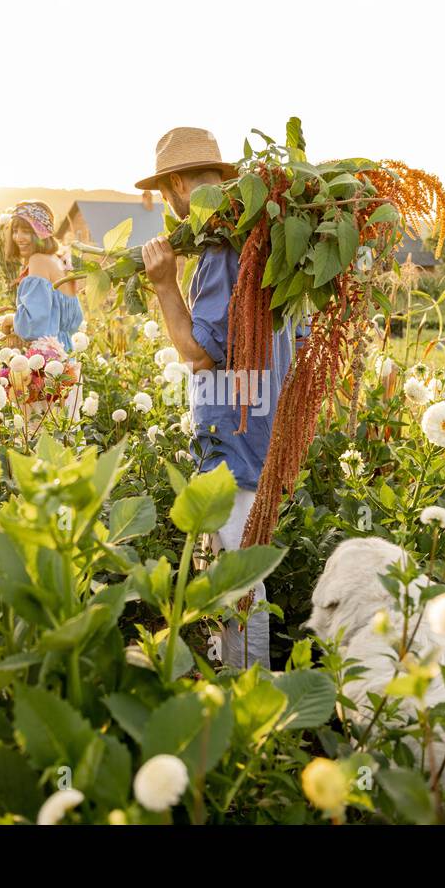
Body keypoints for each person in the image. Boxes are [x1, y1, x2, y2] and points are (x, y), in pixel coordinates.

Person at [137, 127, 295, 671]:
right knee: (229, 572)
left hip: (233, 438)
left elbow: (199, 353)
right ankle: (230, 684)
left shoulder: (222, 252)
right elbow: (293, 339)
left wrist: (163, 283)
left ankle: (246, 699)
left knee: (237, 584)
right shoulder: (263, 241)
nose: (168, 205)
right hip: (257, 430)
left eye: (164, 193)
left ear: (176, 184)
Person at [9, 200, 82, 351]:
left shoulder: (38, 260)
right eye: (15, 231)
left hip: (46, 359)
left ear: (41, 233)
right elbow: (76, 321)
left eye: (26, 231)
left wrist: (10, 320)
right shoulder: (61, 261)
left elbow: (33, 327)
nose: (18, 237)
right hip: (66, 353)